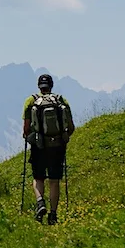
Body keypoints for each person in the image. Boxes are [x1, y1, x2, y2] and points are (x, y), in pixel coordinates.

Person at [22, 74, 75, 225]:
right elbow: (71, 127)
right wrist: (63, 137)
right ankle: (53, 215)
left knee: (38, 178)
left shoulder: (30, 101)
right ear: (51, 86)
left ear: (39, 86)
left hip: (39, 147)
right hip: (57, 146)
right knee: (54, 180)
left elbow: (26, 129)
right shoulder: (61, 100)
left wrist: (30, 137)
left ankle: (40, 203)